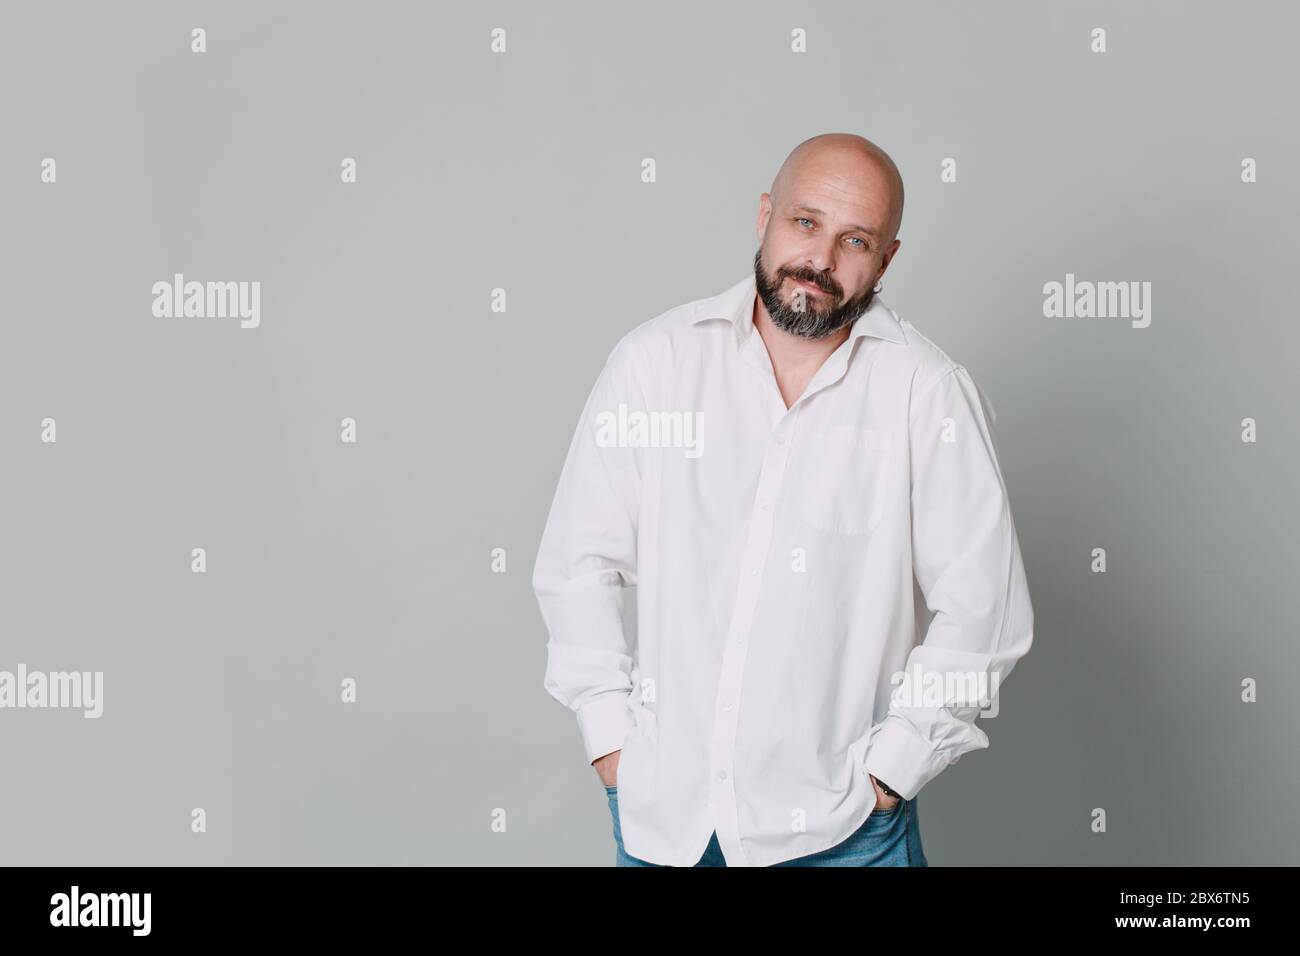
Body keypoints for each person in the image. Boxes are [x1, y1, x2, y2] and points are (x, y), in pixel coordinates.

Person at [532, 132, 1034, 867]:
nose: (821, 260)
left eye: (855, 239)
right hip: (665, 822)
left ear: (887, 258)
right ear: (765, 215)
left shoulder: (926, 393)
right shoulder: (656, 364)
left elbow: (986, 613)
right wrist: (611, 742)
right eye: (805, 223)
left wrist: (891, 772)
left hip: (845, 831)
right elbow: (578, 562)